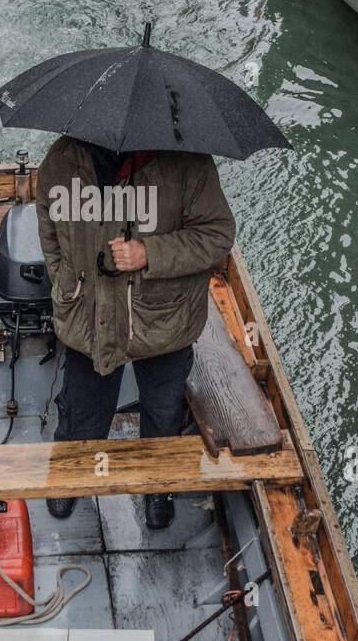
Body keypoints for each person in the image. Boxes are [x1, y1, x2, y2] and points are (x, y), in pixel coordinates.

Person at [35, 136, 237, 529]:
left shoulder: (189, 162)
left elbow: (216, 234)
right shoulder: (63, 159)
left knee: (163, 410)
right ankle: (71, 474)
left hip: (164, 317)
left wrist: (150, 253)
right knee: (80, 407)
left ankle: (156, 488)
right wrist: (64, 278)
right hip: (90, 314)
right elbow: (47, 224)